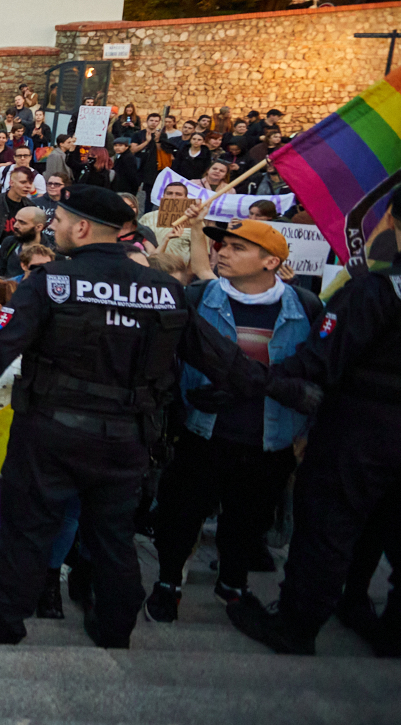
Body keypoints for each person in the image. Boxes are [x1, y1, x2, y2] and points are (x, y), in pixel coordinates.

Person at [0, 185, 318, 649]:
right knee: (113, 536)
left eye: (60, 221)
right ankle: (115, 626)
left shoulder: (53, 283)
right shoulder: (165, 291)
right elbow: (223, 361)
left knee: (28, 530)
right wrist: (285, 388)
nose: (55, 228)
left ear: (82, 228)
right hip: (127, 439)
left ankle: (3, 621)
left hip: (49, 433)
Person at [224, 192, 401, 655]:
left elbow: (323, 360)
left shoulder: (375, 290)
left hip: (363, 428)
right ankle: (379, 621)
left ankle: (296, 624)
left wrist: (255, 379)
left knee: (328, 525)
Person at [145, 218, 320, 624]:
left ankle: (234, 585)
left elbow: (311, 372)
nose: (221, 251)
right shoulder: (195, 297)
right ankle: (168, 583)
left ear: (271, 261)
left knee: (248, 519)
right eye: (220, 245)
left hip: (268, 438)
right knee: (181, 514)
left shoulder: (305, 307)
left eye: (236, 247)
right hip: (202, 433)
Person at [0, 166, 37, 242]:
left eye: (30, 182)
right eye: (23, 182)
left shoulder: (31, 207)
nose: (28, 186)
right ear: (11, 182)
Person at [0, 207, 48, 278]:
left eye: (22, 223)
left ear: (39, 227)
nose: (15, 226)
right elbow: (1, 273)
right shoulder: (9, 243)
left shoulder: (51, 251)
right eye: (16, 221)